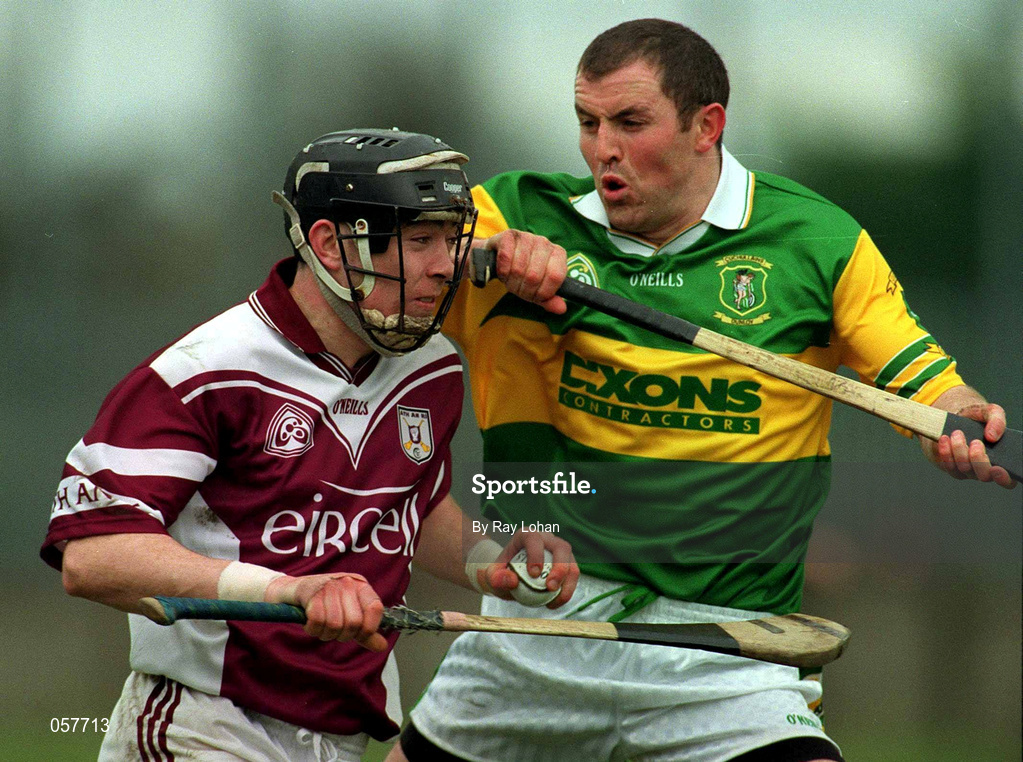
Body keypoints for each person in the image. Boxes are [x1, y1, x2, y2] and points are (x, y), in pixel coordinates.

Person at [389, 19, 1015, 762]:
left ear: (705, 126)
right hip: (538, 620)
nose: (601, 150)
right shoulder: (514, 215)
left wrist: (957, 421)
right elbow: (373, 274)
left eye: (629, 123)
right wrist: (487, 256)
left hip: (725, 647)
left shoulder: (815, 242)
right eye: (587, 123)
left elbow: (922, 384)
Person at [40, 128, 577, 762]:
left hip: (339, 741)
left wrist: (495, 563)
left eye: (449, 239)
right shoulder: (208, 369)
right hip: (204, 727)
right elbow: (93, 555)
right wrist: (289, 591)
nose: (444, 265)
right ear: (329, 243)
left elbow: (413, 512)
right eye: (418, 240)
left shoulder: (430, 370)